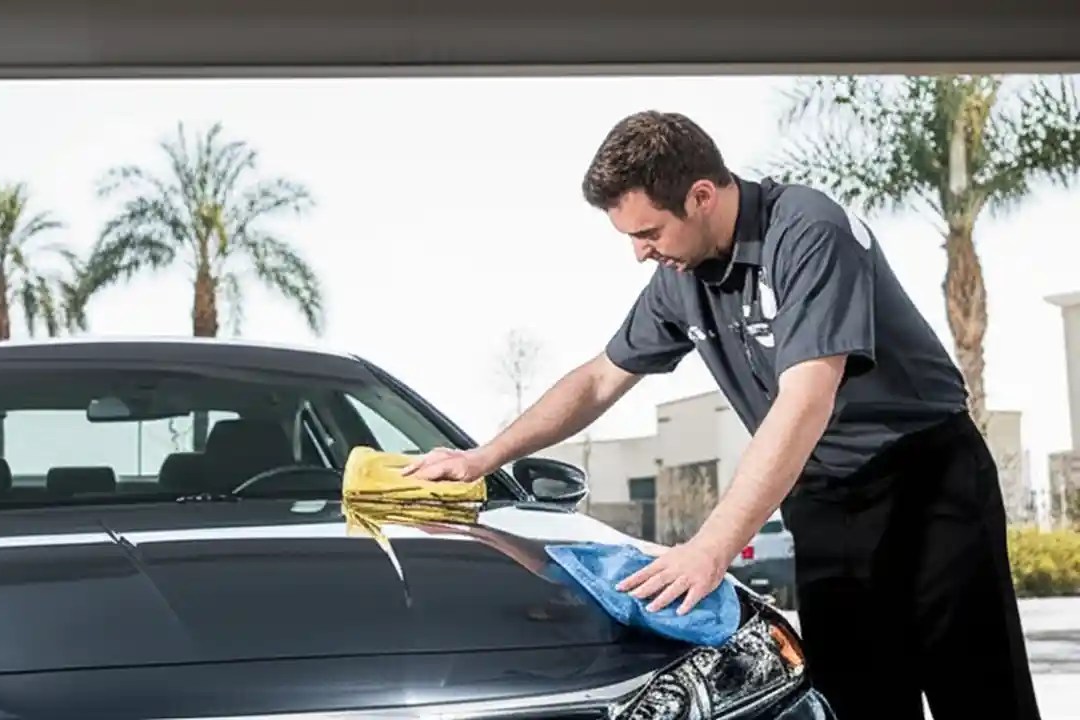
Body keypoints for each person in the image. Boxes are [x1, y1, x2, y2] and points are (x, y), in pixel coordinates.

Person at [401, 110, 1040, 720]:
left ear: (702, 196)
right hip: (823, 497)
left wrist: (709, 549)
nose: (640, 254)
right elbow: (600, 378)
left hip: (927, 482)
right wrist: (483, 457)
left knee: (978, 695)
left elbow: (806, 398)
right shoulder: (681, 278)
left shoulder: (807, 230)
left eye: (648, 233)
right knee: (857, 702)